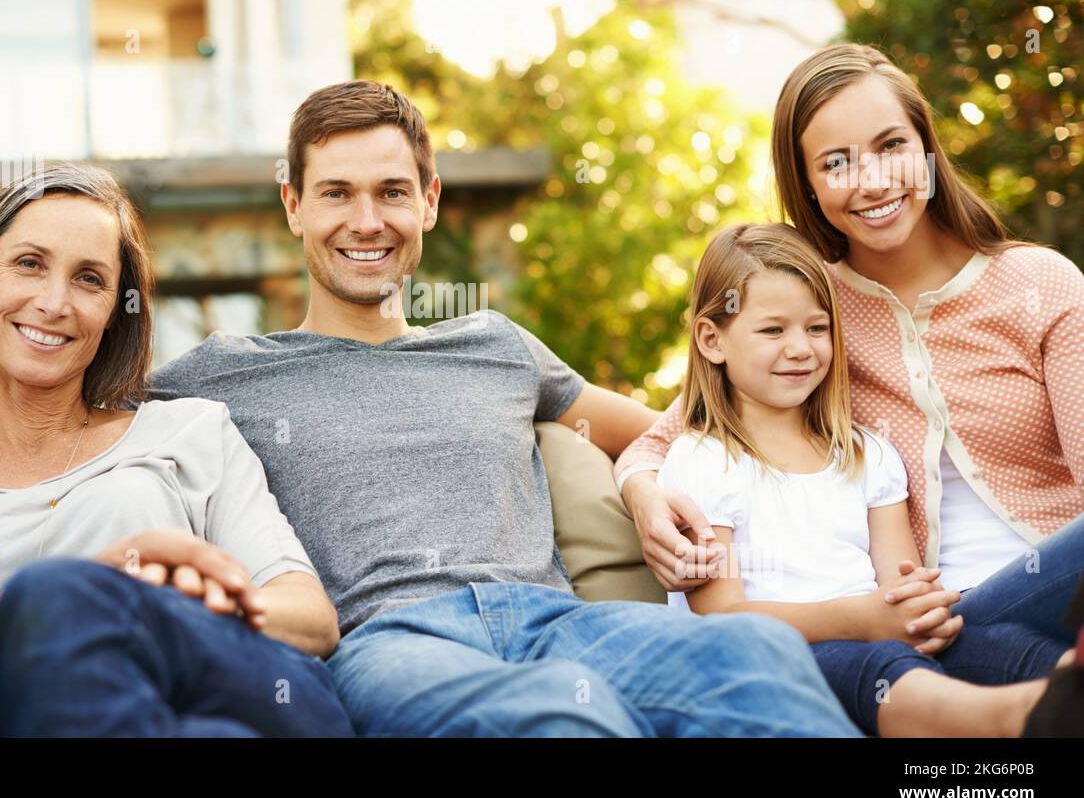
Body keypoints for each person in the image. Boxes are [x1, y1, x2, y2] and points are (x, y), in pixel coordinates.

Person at [147, 80, 860, 737]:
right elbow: (76, 423)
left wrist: (641, 487)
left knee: (757, 653)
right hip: (393, 642)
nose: (367, 221)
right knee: (554, 718)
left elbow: (678, 428)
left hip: (558, 622)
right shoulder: (226, 373)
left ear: (427, 200)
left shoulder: (495, 344)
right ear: (294, 205)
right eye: (337, 192)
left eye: (391, 192)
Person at [0, 164, 352, 737]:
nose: (55, 303)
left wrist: (167, 611)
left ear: (113, 314)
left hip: (242, 686)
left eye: (89, 280)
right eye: (29, 264)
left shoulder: (190, 432)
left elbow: (310, 621)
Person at [617, 43, 1084, 657]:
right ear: (806, 185)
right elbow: (657, 444)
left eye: (892, 146)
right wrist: (648, 501)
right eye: (835, 162)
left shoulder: (1039, 283)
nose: (873, 181)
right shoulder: (810, 319)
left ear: (926, 150)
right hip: (938, 618)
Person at [656, 222, 1071, 736]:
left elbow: (897, 578)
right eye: (772, 330)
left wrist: (914, 610)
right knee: (875, 668)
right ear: (711, 339)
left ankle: (1055, 695)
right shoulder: (700, 459)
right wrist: (861, 619)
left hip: (879, 641)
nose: (801, 348)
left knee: (1003, 645)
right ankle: (1000, 721)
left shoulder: (867, 454)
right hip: (776, 662)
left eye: (816, 327)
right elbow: (722, 617)